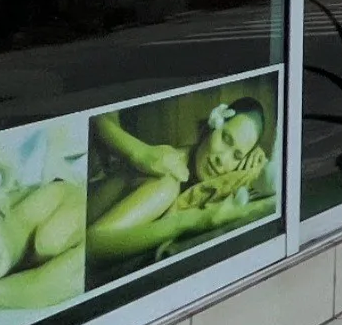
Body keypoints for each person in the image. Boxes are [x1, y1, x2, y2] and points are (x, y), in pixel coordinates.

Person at [88, 99, 277, 263]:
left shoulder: (201, 189)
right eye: (226, 138)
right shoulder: (169, 175)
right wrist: (189, 221)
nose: (223, 159)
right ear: (213, 123)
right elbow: (92, 244)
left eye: (237, 155)